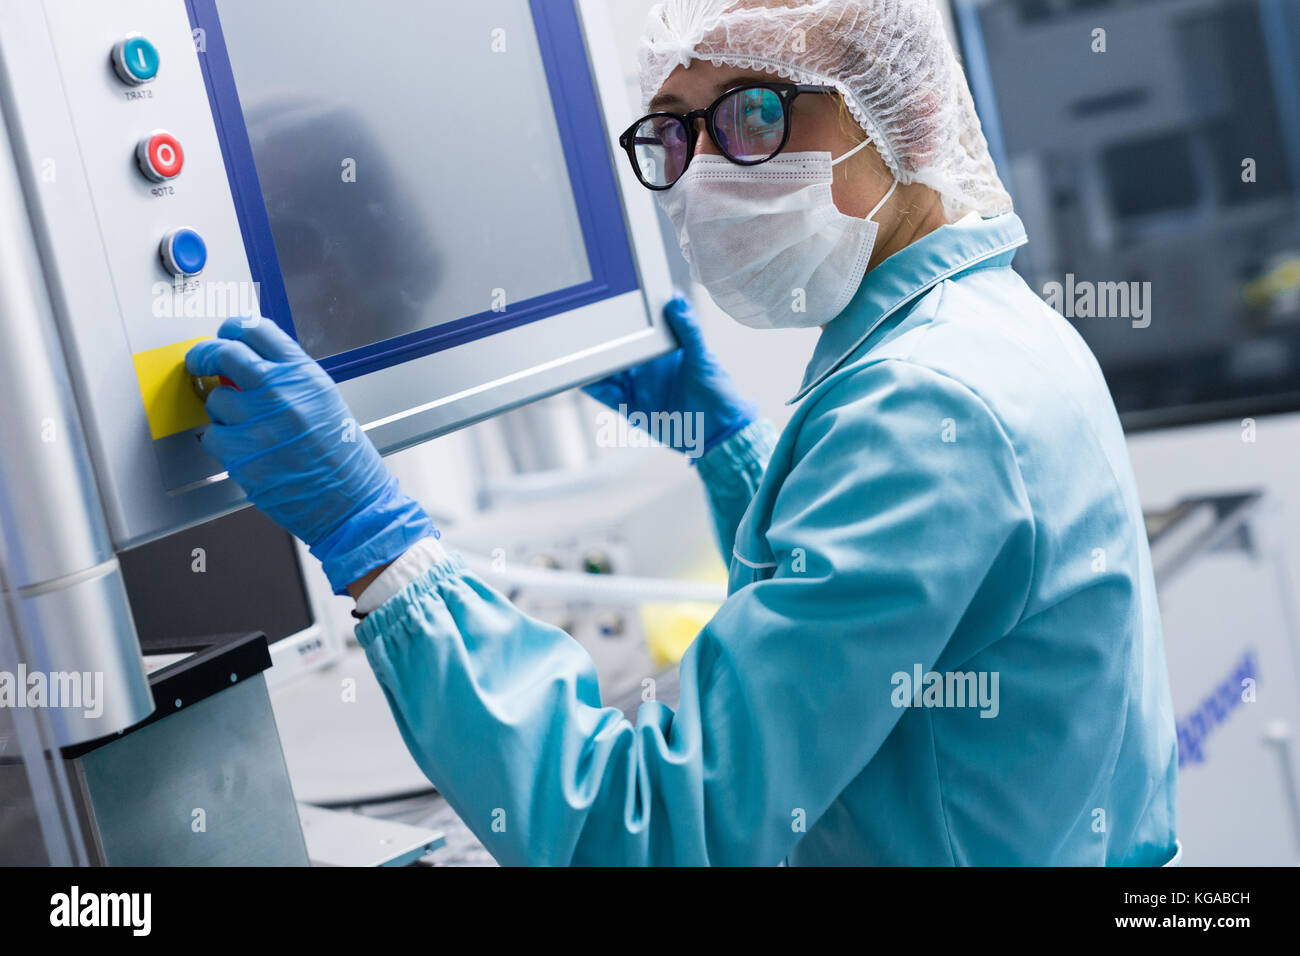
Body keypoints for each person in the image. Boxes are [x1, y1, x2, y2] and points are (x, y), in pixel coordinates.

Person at [186, 0, 1177, 865]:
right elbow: (854, 626)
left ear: (904, 113)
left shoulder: (922, 408)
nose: (702, 174)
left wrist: (382, 549)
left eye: (755, 112)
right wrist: (733, 456)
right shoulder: (985, 327)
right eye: (673, 130)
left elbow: (650, 831)